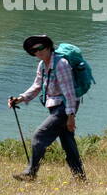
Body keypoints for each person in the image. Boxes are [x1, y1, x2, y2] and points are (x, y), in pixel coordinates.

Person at [7, 34, 86, 182]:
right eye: (34, 51)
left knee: (39, 136)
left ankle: (31, 172)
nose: (38, 52)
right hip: (56, 107)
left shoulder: (61, 64)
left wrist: (70, 116)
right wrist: (21, 98)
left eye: (40, 48)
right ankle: (80, 178)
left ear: (48, 46)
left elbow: (69, 93)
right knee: (68, 143)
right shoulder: (43, 65)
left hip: (64, 107)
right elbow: (37, 86)